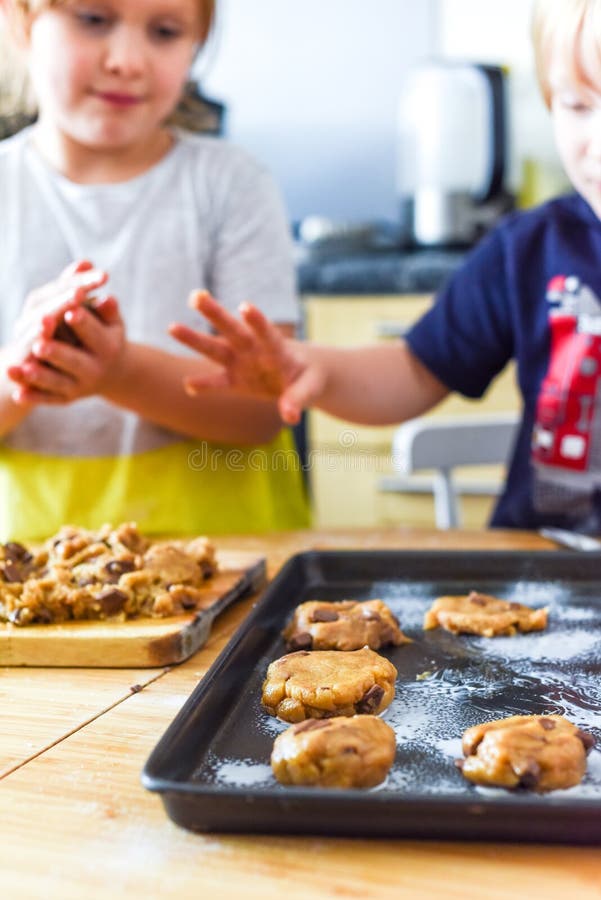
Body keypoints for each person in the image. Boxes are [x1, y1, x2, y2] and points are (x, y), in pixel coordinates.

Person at [171, 0, 601, 535]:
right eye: (579, 106)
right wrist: (317, 369)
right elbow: (415, 370)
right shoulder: (530, 248)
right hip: (544, 569)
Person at [0, 0, 309, 540]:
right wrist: (20, 375)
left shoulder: (233, 185)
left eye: (164, 32)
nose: (127, 60)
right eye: (93, 19)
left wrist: (120, 372)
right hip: (31, 573)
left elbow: (266, 408)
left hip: (233, 562)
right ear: (19, 22)